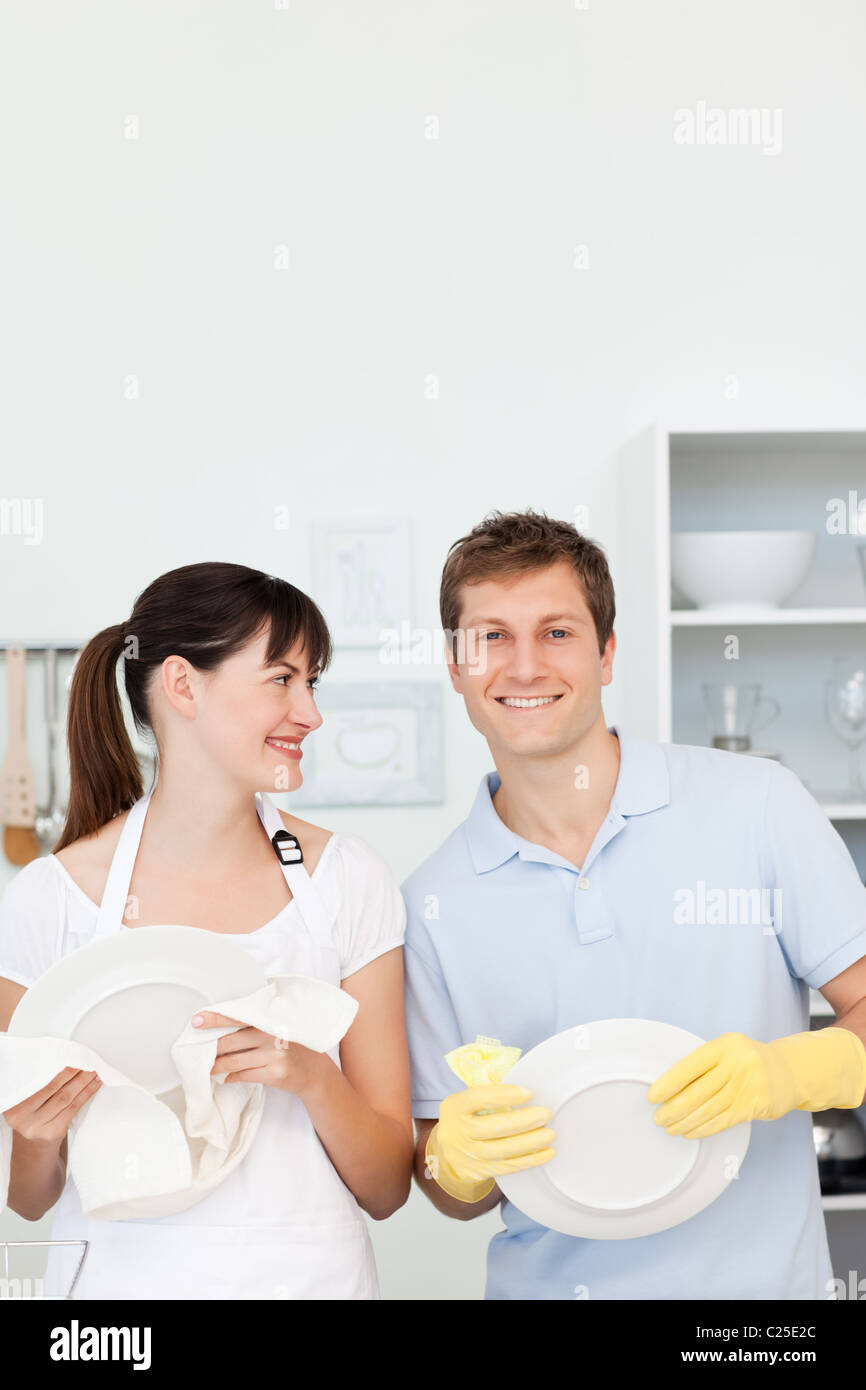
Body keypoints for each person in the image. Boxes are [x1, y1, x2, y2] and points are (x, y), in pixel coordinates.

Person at [401, 509, 866, 1300]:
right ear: (455, 664)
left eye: (556, 632)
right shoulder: (428, 905)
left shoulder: (757, 807)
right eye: (490, 637)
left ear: (607, 653)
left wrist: (789, 1069)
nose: (522, 666)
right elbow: (448, 1187)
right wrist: (454, 1159)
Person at [0, 561, 413, 1299]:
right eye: (282, 679)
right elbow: (29, 1199)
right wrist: (36, 1134)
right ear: (185, 685)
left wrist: (310, 1076)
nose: (310, 713)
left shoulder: (348, 882)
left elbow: (387, 1188)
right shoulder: (51, 899)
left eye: (311, 683)